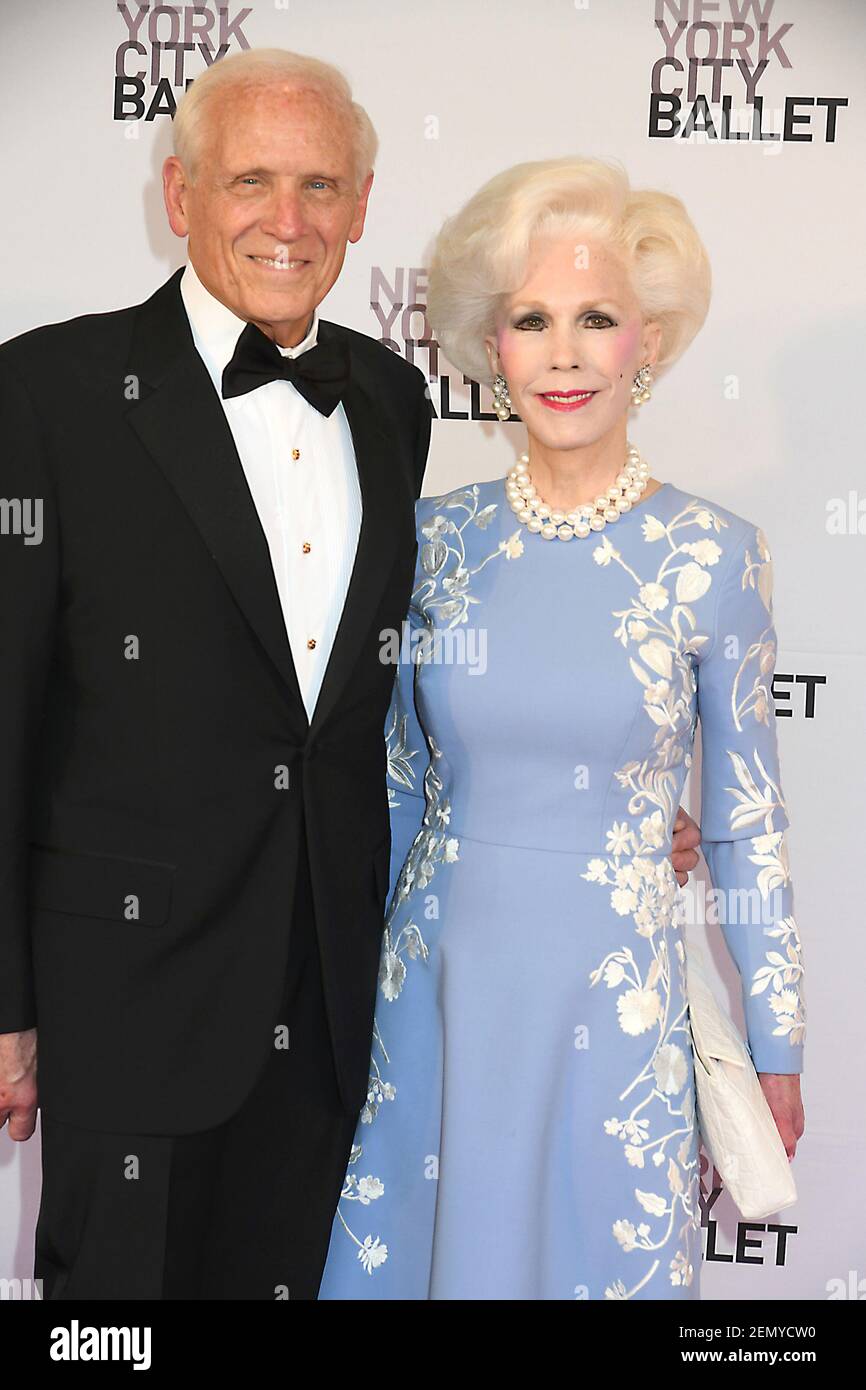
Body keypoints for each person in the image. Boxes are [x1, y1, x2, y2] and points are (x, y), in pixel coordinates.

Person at [318, 156, 805, 1302]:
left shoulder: (712, 555)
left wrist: (776, 1044)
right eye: (532, 320)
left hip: (612, 993)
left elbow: (745, 818)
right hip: (436, 984)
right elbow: (386, 788)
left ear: (651, 341)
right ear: (491, 347)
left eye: (596, 319)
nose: (566, 352)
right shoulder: (429, 541)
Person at [0, 47, 435, 1300]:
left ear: (361, 204)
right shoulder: (47, 391)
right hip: (124, 997)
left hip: (328, 992)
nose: (285, 222)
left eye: (318, 185)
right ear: (181, 193)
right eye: (250, 180)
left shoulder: (395, 400)